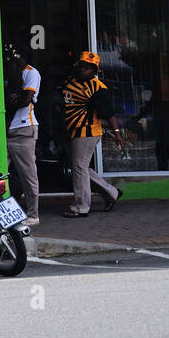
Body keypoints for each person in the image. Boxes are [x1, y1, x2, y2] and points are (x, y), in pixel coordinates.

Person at [60, 51, 122, 217]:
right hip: (71, 130)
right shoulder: (71, 81)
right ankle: (111, 192)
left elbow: (109, 113)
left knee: (79, 167)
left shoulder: (97, 88)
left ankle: (81, 207)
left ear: (94, 71)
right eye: (82, 66)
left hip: (87, 132)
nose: (83, 70)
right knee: (81, 167)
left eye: (88, 68)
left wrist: (117, 134)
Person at [3, 44, 41, 225]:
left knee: (28, 174)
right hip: (3, 130)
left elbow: (26, 100)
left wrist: (9, 101)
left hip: (23, 129)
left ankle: (33, 214)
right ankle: (4, 212)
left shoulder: (30, 73)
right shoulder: (5, 73)